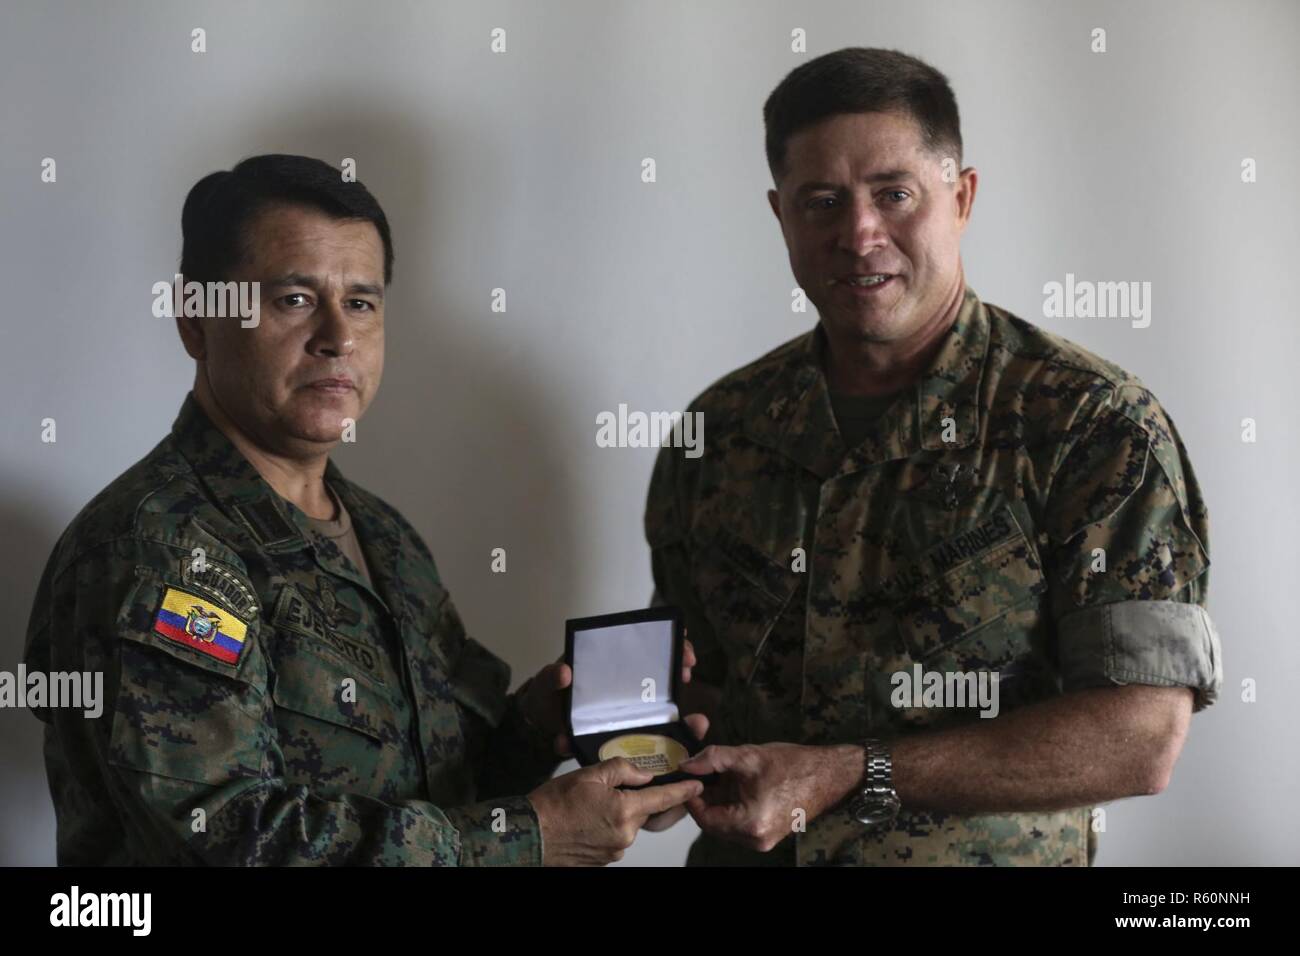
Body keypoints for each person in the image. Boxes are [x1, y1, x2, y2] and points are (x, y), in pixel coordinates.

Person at [24, 154, 703, 866]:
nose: (338, 338)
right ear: (196, 319)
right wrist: (528, 837)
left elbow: (441, 781)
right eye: (293, 299)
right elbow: (225, 838)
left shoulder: (385, 537)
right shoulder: (158, 545)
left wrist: (546, 726)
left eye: (361, 302)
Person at [644, 48, 1221, 866]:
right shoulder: (720, 429)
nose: (859, 234)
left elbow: (1138, 737)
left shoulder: (1089, 424)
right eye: (822, 202)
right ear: (781, 217)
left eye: (894, 193)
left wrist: (855, 772)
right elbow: (696, 683)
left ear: (963, 197)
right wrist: (639, 742)